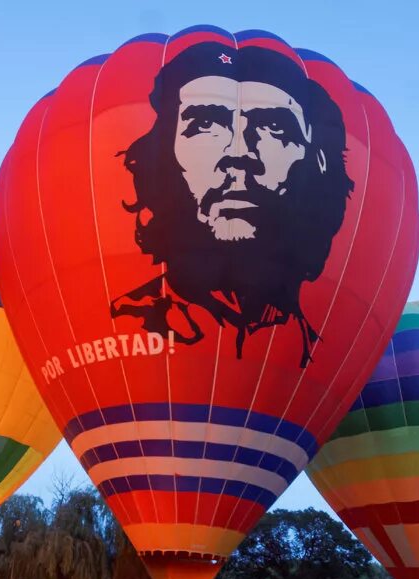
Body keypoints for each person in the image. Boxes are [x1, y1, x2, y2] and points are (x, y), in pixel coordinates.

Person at [114, 41, 356, 368]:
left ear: (318, 161)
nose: (238, 155)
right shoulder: (128, 318)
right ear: (162, 156)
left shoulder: (322, 350)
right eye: (204, 124)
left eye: (274, 127)